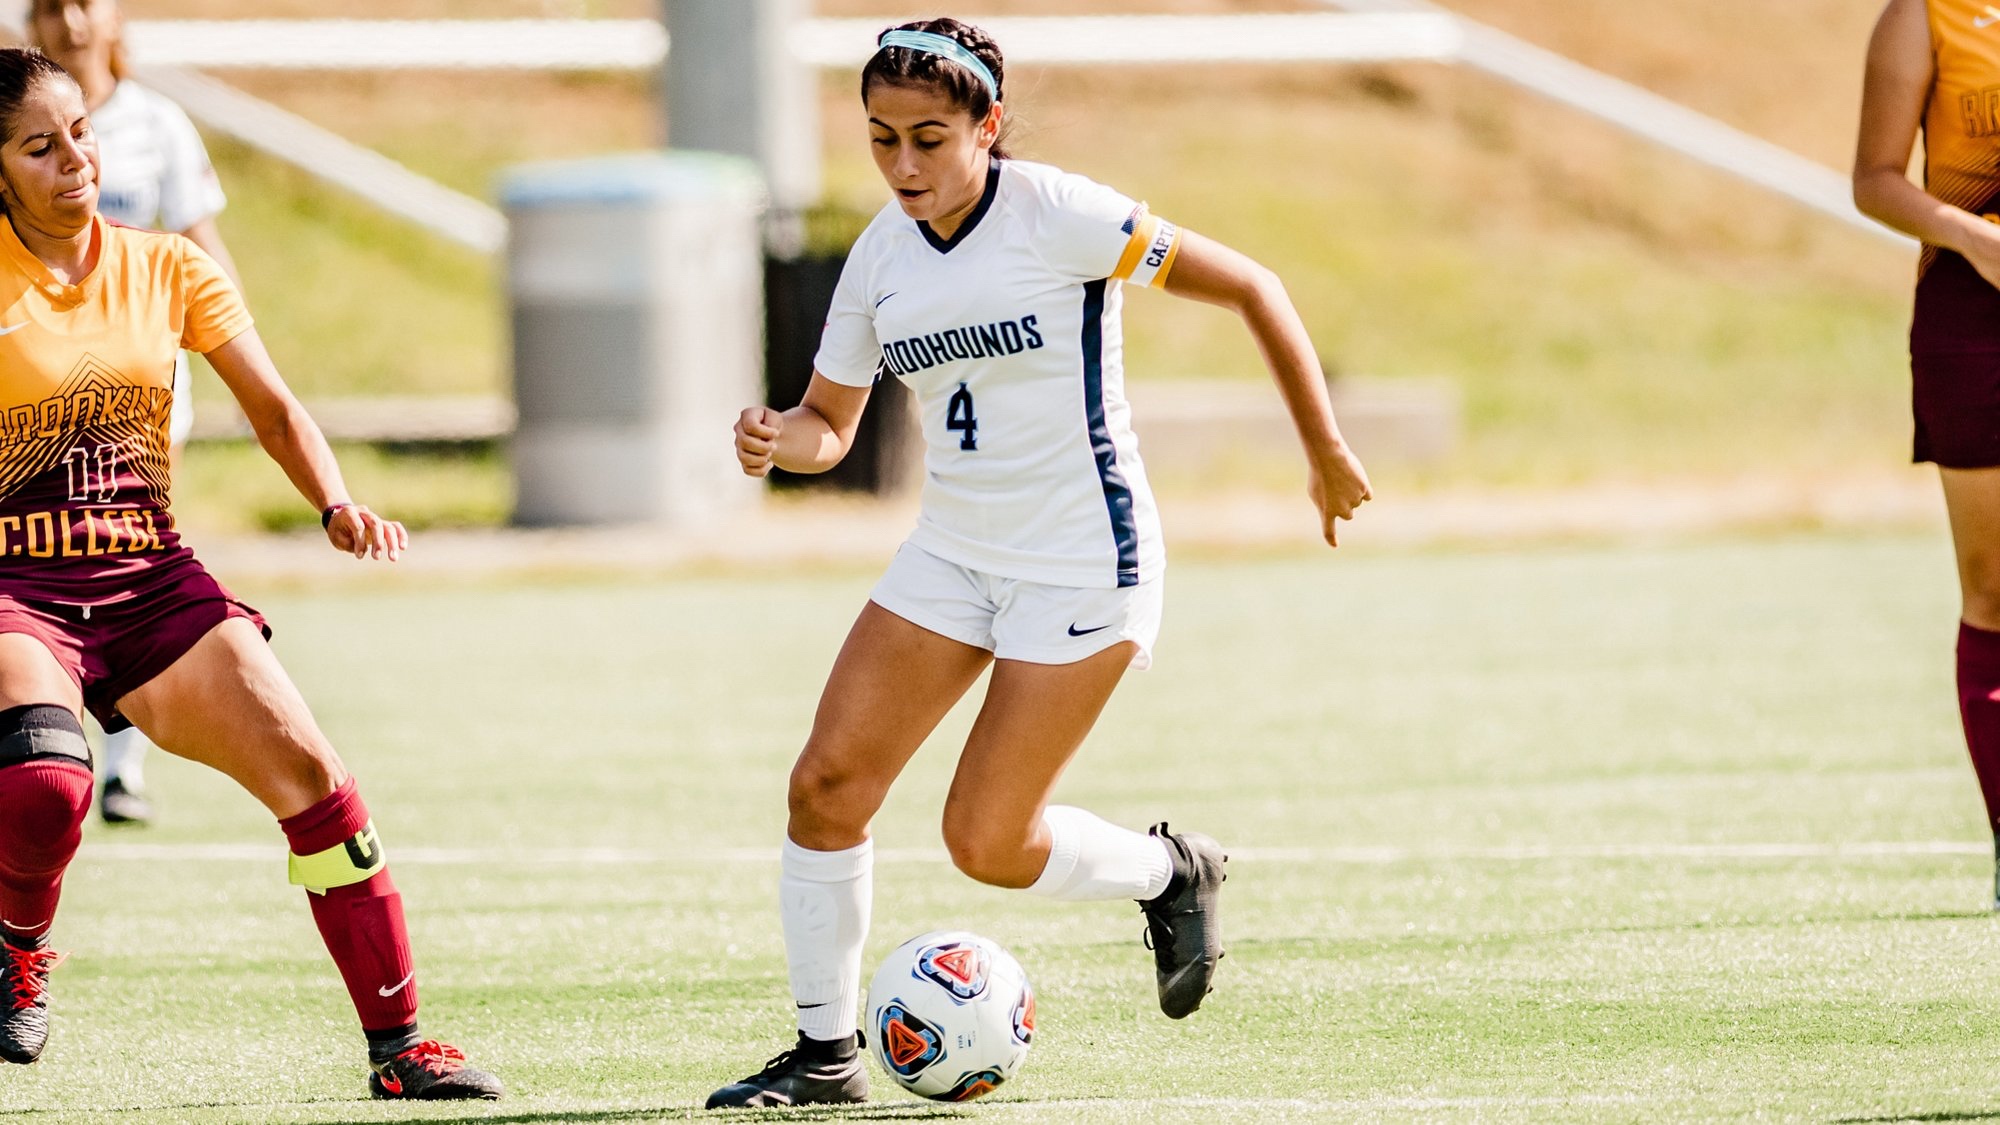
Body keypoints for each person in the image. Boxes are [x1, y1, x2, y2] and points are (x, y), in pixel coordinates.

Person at [707, 18, 1372, 1109]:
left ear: (989, 127)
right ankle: (824, 1058)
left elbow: (1253, 287)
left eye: (928, 137)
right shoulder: (879, 254)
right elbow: (830, 421)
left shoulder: (1059, 214)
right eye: (880, 140)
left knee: (985, 840)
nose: (904, 164)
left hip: (1081, 563)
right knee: (824, 788)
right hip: (953, 555)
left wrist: (1324, 450)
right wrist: (782, 439)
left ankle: (1170, 870)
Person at [0, 48, 501, 1100]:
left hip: (150, 581)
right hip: (15, 589)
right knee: (45, 787)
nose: (74, 161)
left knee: (319, 790)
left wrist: (335, 502)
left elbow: (273, 407)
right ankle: (16, 951)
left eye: (81, 133)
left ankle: (399, 1049)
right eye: (39, 148)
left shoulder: (170, 266)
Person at [30, 0, 244, 826]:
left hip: (141, 388)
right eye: (51, 7)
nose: (70, 24)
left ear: (114, 17)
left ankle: (123, 762)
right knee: (44, 554)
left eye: (84, 4)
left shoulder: (157, 122)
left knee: (136, 551)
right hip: (38, 386)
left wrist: (237, 342)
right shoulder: (15, 131)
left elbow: (197, 242)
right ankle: (48, 734)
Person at [1856, 0, 2000, 908]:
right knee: (1994, 586)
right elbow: (1875, 179)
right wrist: (1973, 233)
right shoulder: (1925, 12)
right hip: (1972, 318)